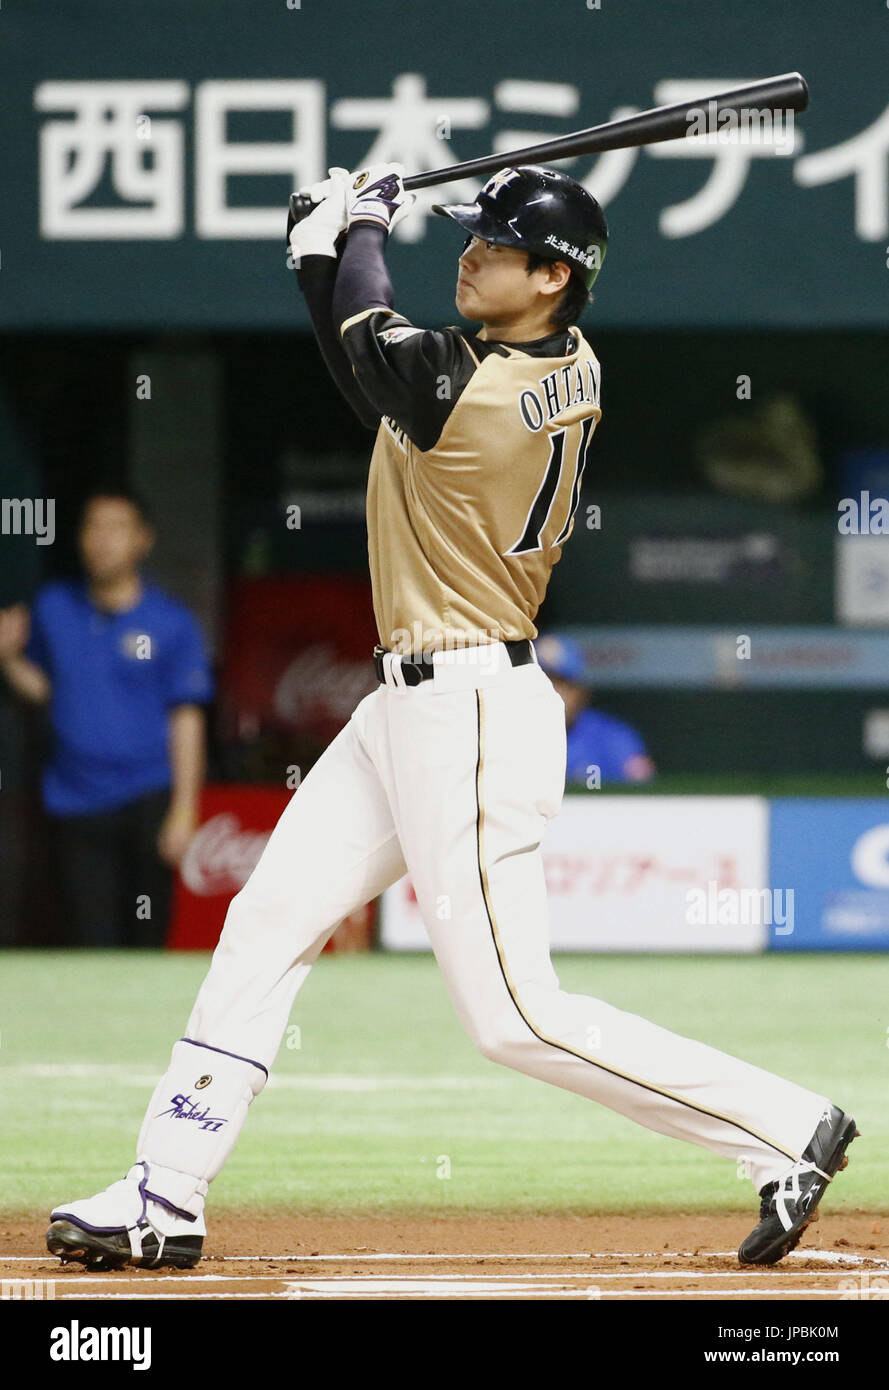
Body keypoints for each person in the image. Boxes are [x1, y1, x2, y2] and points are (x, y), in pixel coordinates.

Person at [45, 164, 856, 1273]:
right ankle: (164, 1190)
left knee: (511, 1016)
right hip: (408, 709)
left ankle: (781, 1125)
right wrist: (317, 259)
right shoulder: (556, 360)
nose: (469, 254)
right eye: (469, 239)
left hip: (472, 707)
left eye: (494, 246)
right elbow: (365, 363)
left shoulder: (479, 389)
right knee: (267, 920)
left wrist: (355, 230)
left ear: (554, 277)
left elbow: (376, 348)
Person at [0, 489, 213, 946]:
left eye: (116, 528)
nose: (102, 540)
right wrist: (9, 659)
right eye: (92, 527)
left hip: (148, 797)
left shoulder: (171, 622)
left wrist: (185, 808)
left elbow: (187, 717)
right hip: (73, 799)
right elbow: (46, 692)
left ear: (143, 540)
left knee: (146, 937)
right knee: (86, 939)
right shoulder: (54, 607)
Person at [535, 633, 655, 785]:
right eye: (544, 681)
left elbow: (643, 796)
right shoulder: (509, 737)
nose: (552, 691)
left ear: (580, 691)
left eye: (562, 683)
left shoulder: (614, 738)